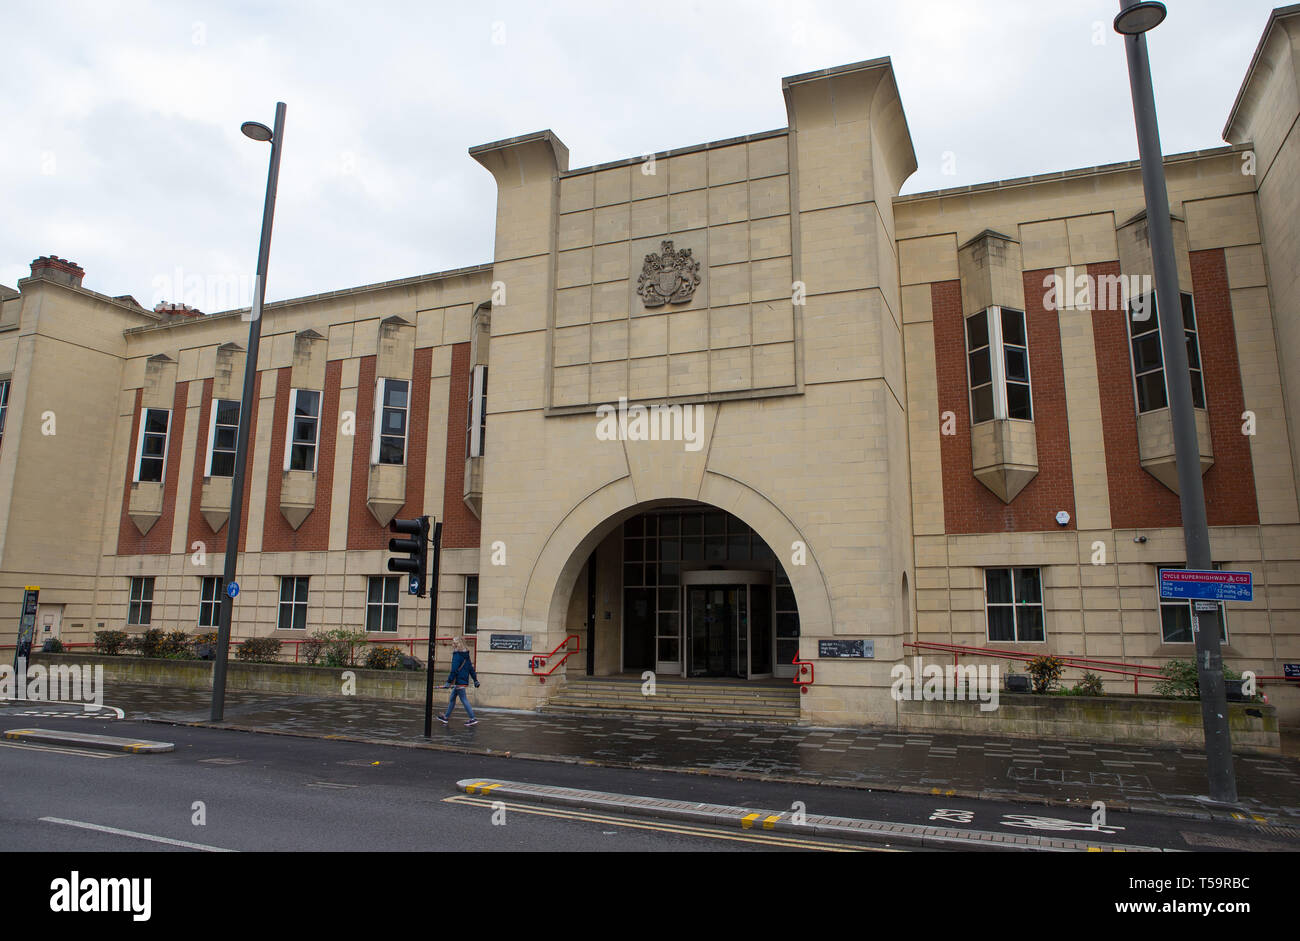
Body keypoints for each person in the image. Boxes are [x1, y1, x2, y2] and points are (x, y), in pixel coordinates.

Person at [438, 636, 480, 726]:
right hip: (462, 680)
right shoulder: (466, 655)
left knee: (464, 699)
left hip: (458, 681)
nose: (452, 644)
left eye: (453, 643)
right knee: (452, 698)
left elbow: (454, 670)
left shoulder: (457, 655)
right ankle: (446, 717)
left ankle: (472, 718)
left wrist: (448, 682)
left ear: (457, 644)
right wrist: (475, 680)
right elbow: (470, 668)